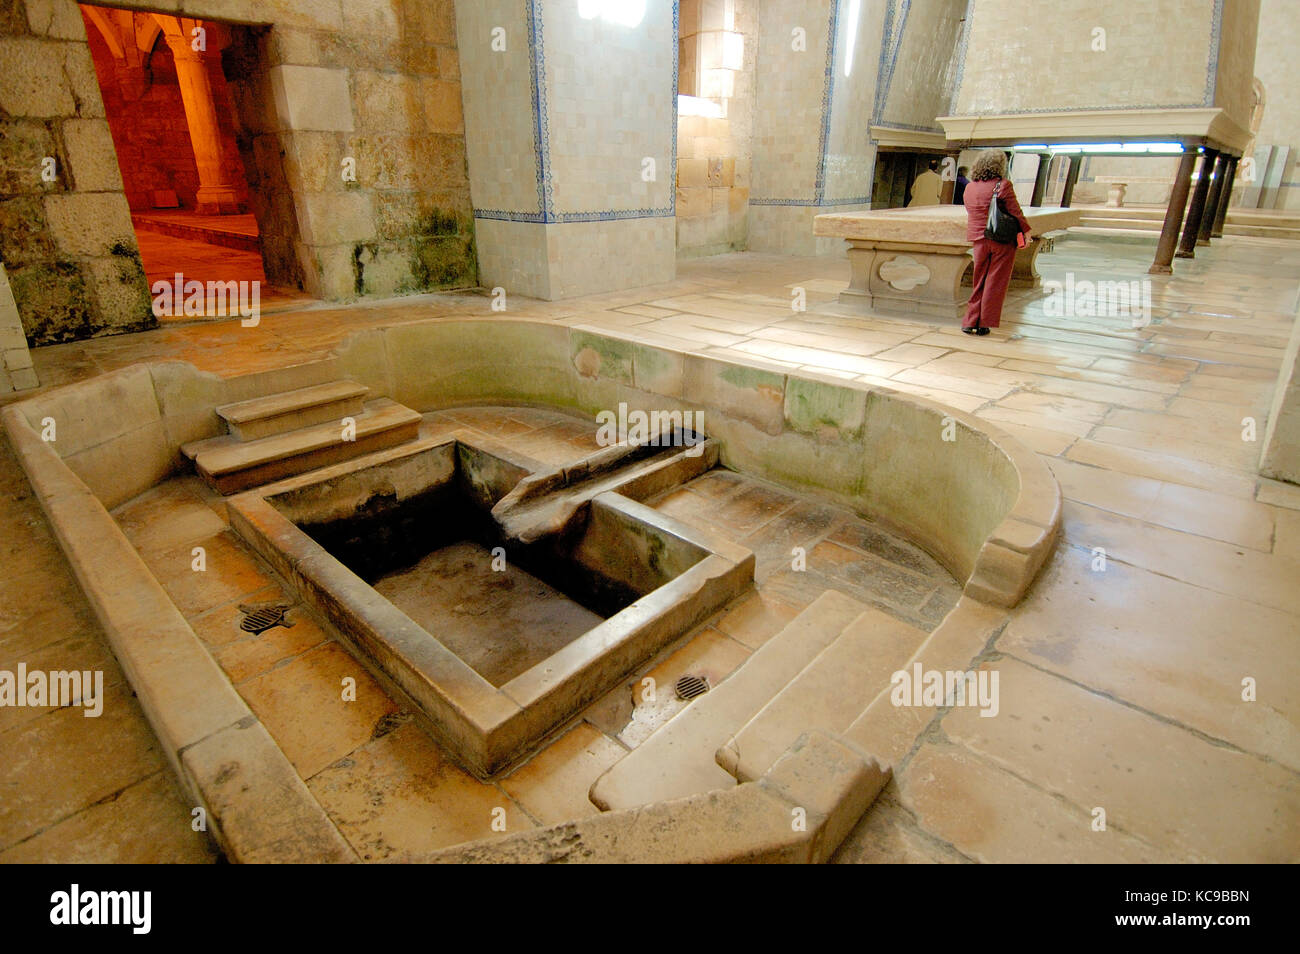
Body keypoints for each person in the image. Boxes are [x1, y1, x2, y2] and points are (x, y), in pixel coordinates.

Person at [960, 149, 1031, 335]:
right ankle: (984, 322)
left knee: (979, 280)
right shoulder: (1003, 185)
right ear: (1000, 166)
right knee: (995, 282)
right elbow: (1016, 212)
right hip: (1000, 239)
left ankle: (969, 320)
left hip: (978, 239)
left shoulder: (970, 187)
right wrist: (1026, 232)